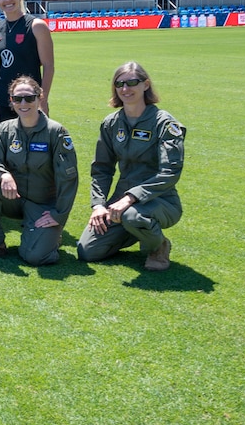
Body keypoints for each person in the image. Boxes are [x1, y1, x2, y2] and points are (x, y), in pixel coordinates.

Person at [76, 62, 185, 272]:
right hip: (120, 203)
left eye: (132, 83)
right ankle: (136, 230)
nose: (125, 89)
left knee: (132, 216)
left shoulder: (164, 123)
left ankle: (159, 246)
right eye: (119, 84)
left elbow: (170, 172)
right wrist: (98, 205)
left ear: (146, 85)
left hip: (160, 201)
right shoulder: (111, 123)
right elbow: (101, 169)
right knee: (87, 251)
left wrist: (131, 198)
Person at [0, 76, 77, 265]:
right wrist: (2, 173)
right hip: (13, 198)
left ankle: (50, 237)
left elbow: (68, 177)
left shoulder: (56, 132)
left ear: (39, 97)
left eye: (29, 98)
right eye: (17, 99)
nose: (23, 103)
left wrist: (59, 214)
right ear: (11, 100)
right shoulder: (5, 129)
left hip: (42, 205)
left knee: (36, 257)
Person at [0, 0, 54, 117]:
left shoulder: (36, 25)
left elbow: (48, 66)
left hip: (29, 99)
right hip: (2, 100)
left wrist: (43, 100)